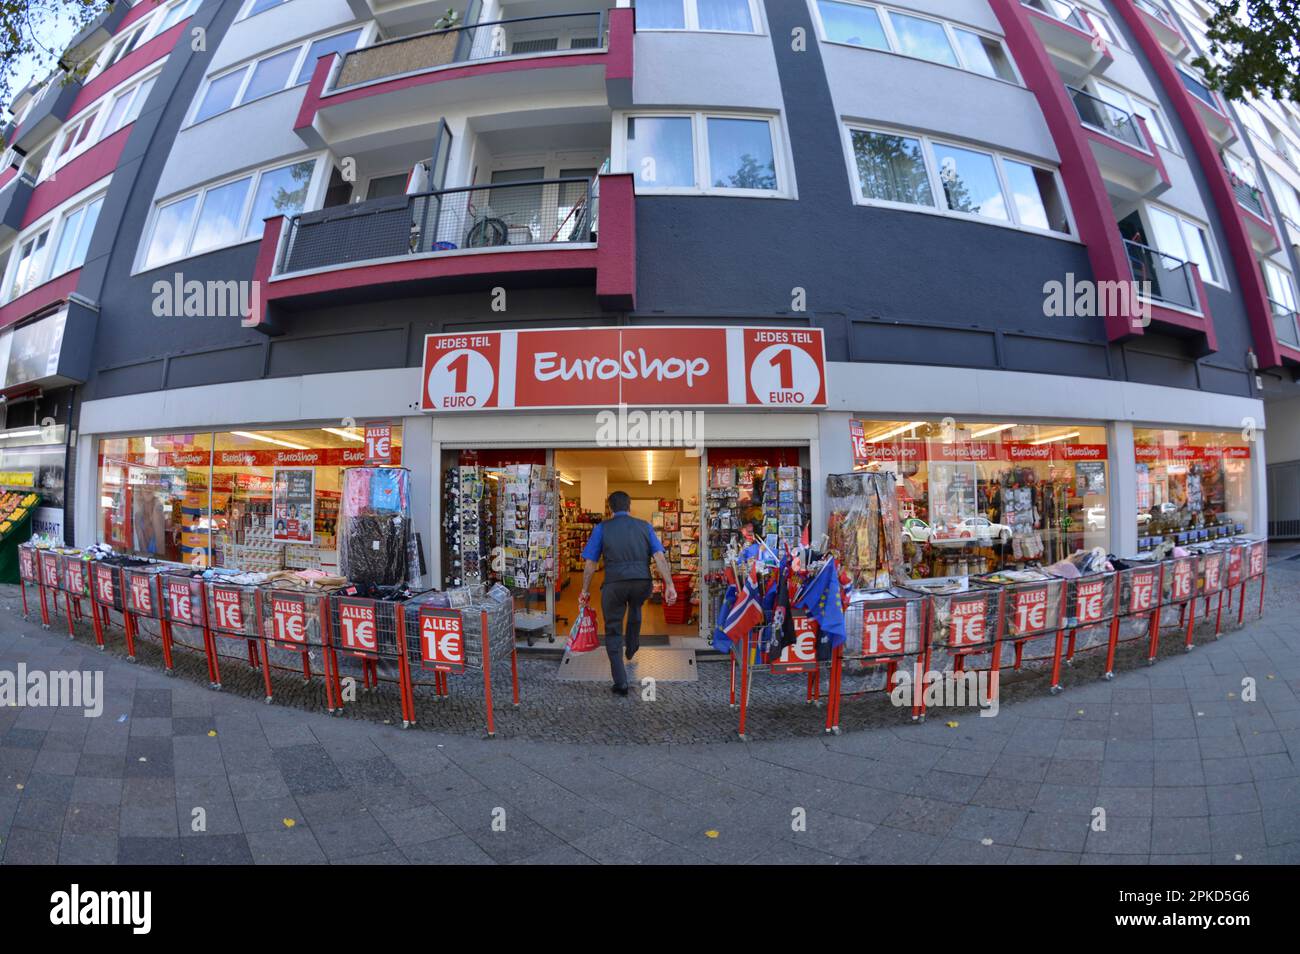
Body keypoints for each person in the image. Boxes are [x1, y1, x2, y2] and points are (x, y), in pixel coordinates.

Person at [580, 491, 677, 696]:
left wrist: (584, 591)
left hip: (614, 584)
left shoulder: (601, 529)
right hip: (642, 582)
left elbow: (590, 564)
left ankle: (621, 682)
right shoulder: (645, 526)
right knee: (635, 607)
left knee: (613, 628)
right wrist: (670, 584)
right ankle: (632, 647)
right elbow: (659, 556)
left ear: (610, 508)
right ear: (630, 506)